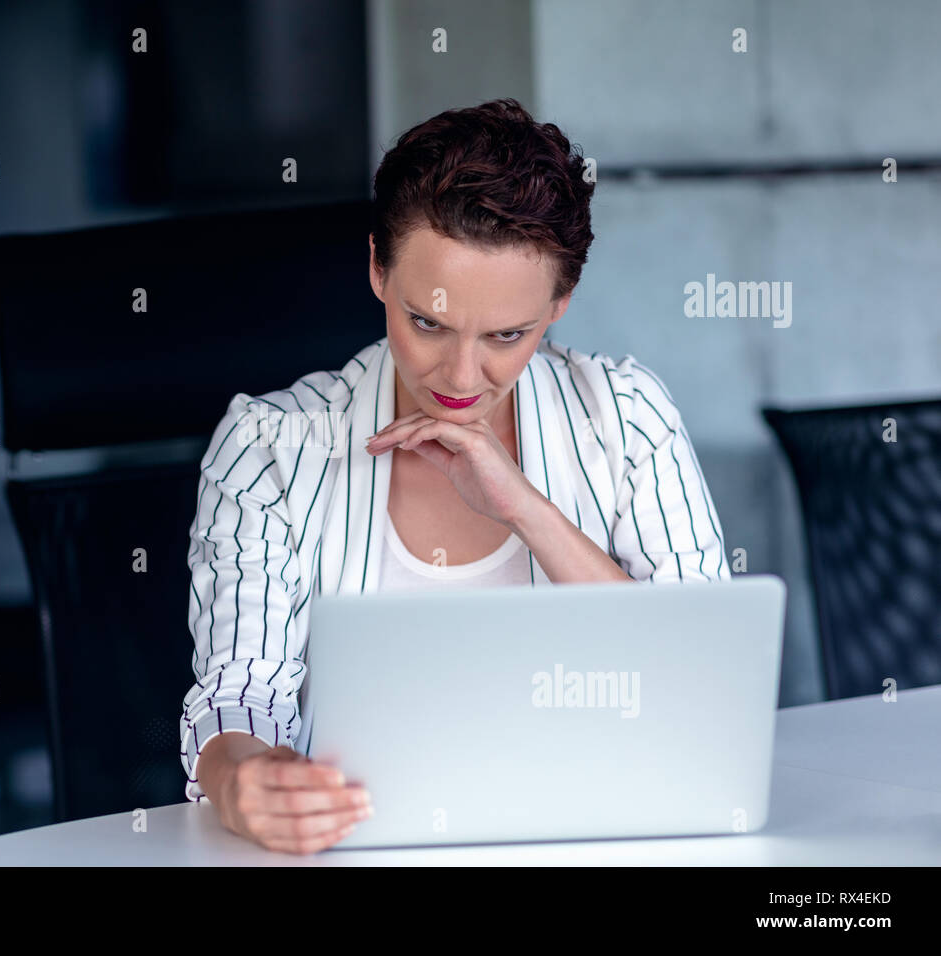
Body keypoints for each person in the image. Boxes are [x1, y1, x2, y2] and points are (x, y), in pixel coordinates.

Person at [180, 98, 729, 854]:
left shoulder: (627, 421)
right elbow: (239, 695)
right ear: (377, 268)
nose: (461, 377)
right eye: (427, 322)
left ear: (561, 303)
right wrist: (247, 783)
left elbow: (701, 689)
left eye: (508, 335)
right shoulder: (271, 448)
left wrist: (528, 512)